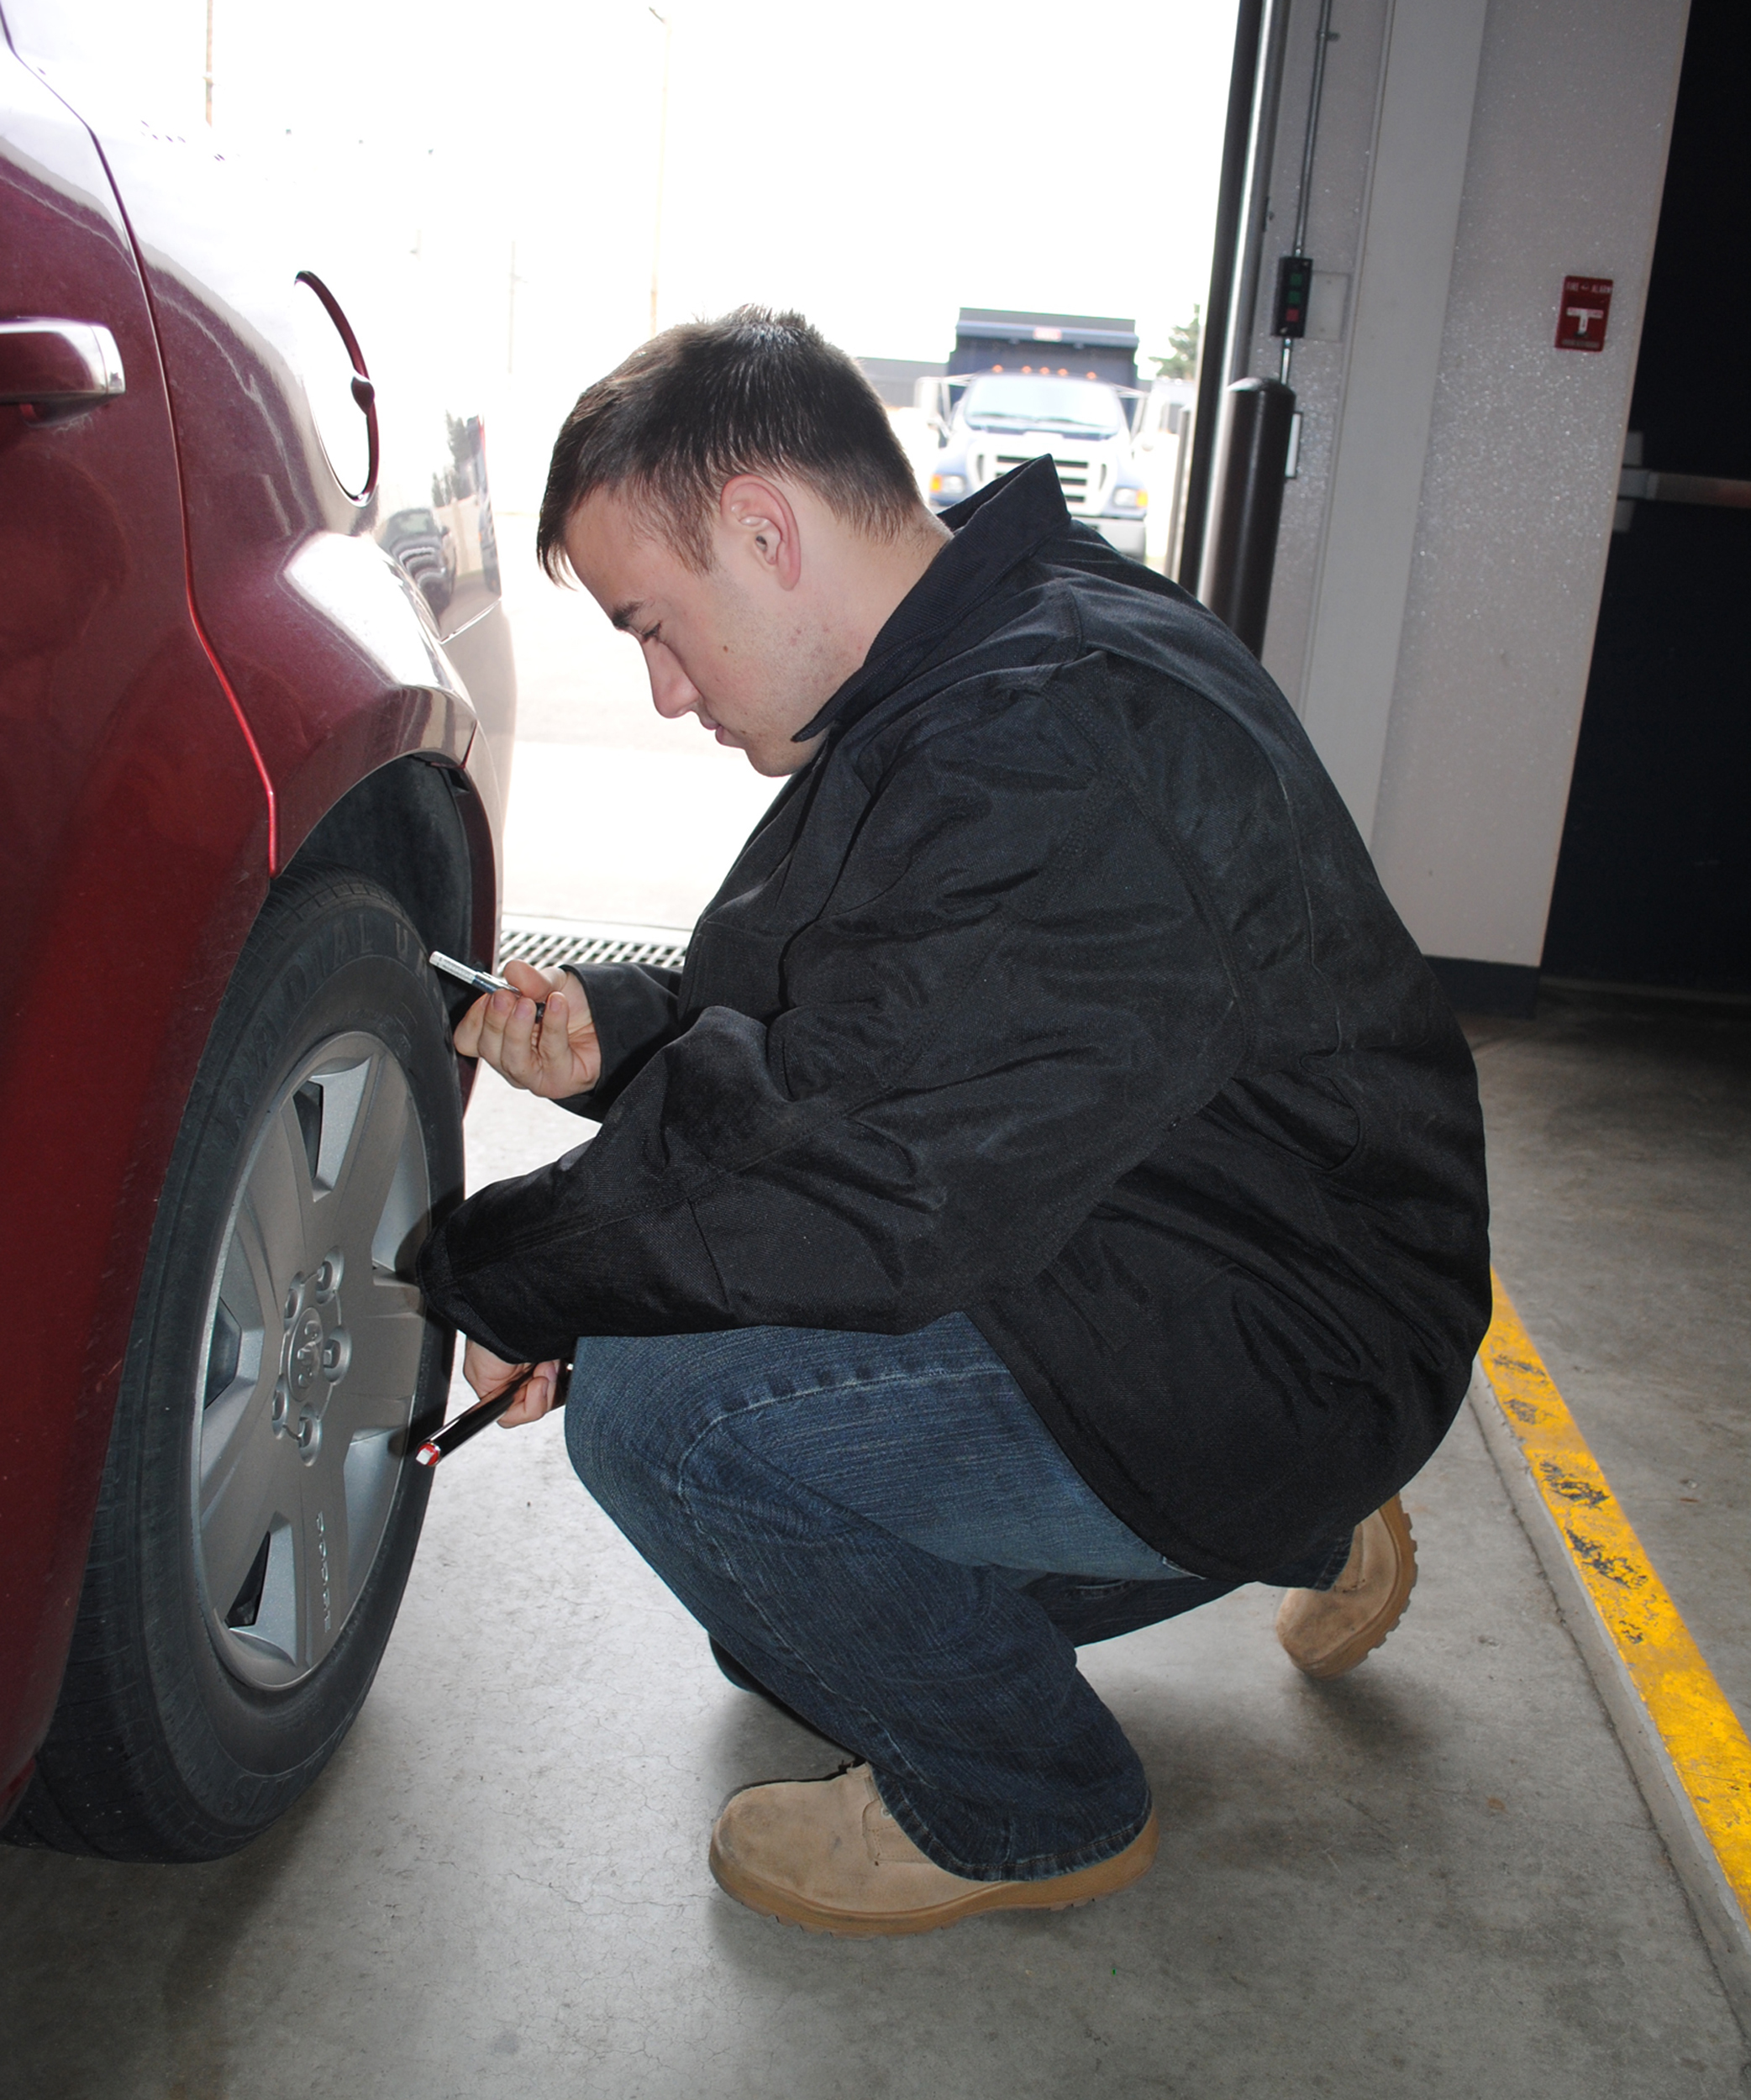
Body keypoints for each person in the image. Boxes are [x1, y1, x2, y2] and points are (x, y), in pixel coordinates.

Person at [417, 307, 1491, 1938]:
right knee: (778, 1630)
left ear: (767, 532)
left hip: (1282, 1327)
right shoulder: (979, 651)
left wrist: (527, 1271)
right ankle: (1292, 1517)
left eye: (654, 623)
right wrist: (623, 1044)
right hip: (1188, 1241)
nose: (656, 689)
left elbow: (852, 1186)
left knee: (663, 1421)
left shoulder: (1044, 733)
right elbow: (862, 1034)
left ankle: (1027, 1804)